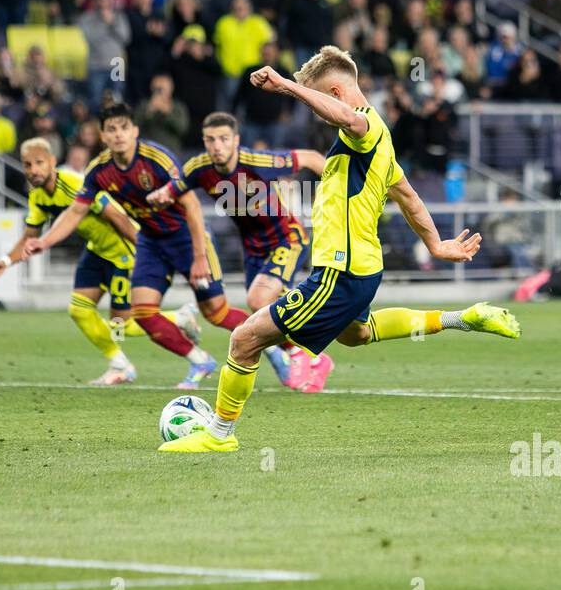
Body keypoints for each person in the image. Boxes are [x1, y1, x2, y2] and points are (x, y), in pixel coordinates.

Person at [158, 46, 521, 453]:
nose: (317, 114)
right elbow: (408, 195)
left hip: (340, 271)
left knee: (244, 339)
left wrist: (287, 86)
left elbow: (347, 117)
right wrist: (436, 245)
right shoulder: (381, 140)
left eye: (320, 101)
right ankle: (464, 318)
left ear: (333, 91)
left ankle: (219, 436)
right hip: (363, 270)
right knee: (357, 334)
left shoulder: (363, 127)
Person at [22, 103, 224, 389]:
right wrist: (43, 242)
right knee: (131, 315)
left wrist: (194, 255)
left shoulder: (156, 159)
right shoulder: (98, 172)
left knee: (217, 312)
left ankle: (281, 348)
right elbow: (75, 213)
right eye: (111, 129)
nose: (118, 135)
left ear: (135, 131)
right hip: (132, 246)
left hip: (172, 241)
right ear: (102, 136)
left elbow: (188, 204)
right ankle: (191, 357)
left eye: (124, 128)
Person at [146, 111, 326, 390]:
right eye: (210, 140)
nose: (217, 146)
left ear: (236, 140)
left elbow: (312, 158)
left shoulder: (256, 161)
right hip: (253, 249)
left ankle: (302, 354)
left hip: (287, 237)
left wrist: (339, 189)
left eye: (223, 139)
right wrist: (163, 194)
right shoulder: (199, 167)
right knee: (263, 313)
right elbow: (178, 185)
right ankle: (315, 356)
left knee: (257, 300)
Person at [0, 137, 163, 386]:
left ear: (52, 163)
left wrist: (145, 250)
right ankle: (120, 365)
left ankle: (179, 321)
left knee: (123, 325)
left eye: (39, 163)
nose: (33, 170)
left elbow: (118, 216)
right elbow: (29, 238)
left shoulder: (75, 185)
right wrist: (4, 262)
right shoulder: (38, 197)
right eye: (27, 165)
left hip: (123, 250)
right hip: (97, 250)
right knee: (79, 310)